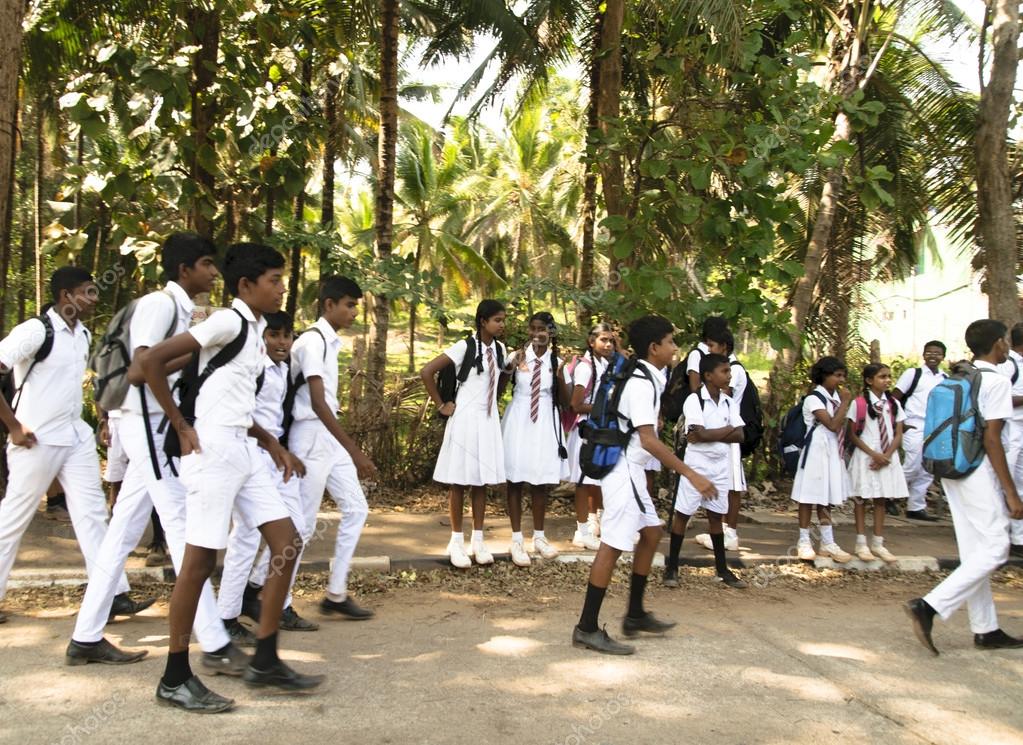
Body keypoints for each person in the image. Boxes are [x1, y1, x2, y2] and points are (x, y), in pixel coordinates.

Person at [142, 242, 323, 712]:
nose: (283, 288)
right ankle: (175, 676)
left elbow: (236, 399)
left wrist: (271, 443)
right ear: (246, 285)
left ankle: (265, 658)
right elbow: (151, 362)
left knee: (287, 541)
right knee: (200, 562)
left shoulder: (257, 330)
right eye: (274, 280)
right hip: (213, 451)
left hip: (243, 449)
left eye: (283, 279)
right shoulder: (227, 321)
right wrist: (181, 425)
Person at [67, 233, 237, 670]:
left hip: (151, 421)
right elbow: (144, 367)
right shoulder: (160, 305)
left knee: (122, 531)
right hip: (146, 422)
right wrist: (197, 357)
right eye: (206, 263)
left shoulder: (183, 308)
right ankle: (215, 642)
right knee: (182, 524)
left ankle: (85, 637)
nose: (214, 272)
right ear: (184, 270)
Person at [0, 267, 143, 626]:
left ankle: (110, 594)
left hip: (74, 437)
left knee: (93, 516)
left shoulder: (80, 334)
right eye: (88, 293)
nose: (94, 300)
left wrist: (99, 423)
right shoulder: (36, 330)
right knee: (13, 519)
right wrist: (14, 426)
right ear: (66, 296)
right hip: (36, 439)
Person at [572, 315, 715, 655]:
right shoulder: (640, 382)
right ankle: (587, 627)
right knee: (613, 544)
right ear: (654, 348)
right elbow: (649, 440)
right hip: (624, 469)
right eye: (670, 342)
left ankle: (634, 614)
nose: (675, 348)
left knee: (651, 532)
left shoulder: (649, 375)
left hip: (629, 467)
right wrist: (691, 473)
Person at [906, 320, 1023, 655]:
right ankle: (927, 606)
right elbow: (992, 440)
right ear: (999, 343)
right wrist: (1011, 492)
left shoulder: (961, 375)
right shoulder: (997, 381)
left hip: (951, 468)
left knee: (976, 552)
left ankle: (986, 629)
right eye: (1003, 343)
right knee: (998, 546)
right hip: (978, 470)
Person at [218, 311, 318, 642]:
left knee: (298, 530)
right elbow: (241, 415)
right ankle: (226, 616)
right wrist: (273, 445)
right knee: (246, 537)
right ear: (262, 338)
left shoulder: (285, 369)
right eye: (274, 335)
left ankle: (270, 599)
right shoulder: (255, 368)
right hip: (251, 456)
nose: (282, 342)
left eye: (287, 336)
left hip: (277, 461)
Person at [287, 277, 376, 619]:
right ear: (329, 305)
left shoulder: (328, 342)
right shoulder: (312, 342)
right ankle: (271, 598)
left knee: (356, 508)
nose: (354, 311)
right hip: (310, 436)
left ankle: (336, 593)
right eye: (349, 305)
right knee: (303, 525)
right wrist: (355, 451)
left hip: (327, 437)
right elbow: (318, 403)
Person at [421, 300, 508, 568]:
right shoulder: (465, 346)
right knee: (459, 481)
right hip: (464, 421)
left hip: (487, 420)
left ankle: (478, 541)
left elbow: (499, 382)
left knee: (481, 482)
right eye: (497, 320)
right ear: (482, 321)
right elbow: (427, 371)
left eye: (504, 320)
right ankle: (456, 541)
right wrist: (441, 404)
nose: (502, 325)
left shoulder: (501, 349)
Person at [663, 353, 747, 589]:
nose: (729, 376)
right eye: (725, 371)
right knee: (683, 513)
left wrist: (713, 433)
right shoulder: (694, 400)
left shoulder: (729, 402)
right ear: (708, 376)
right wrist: (727, 430)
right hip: (696, 465)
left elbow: (740, 435)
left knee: (715, 516)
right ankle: (672, 567)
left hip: (720, 466)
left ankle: (722, 568)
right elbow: (696, 436)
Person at [500, 312, 569, 566]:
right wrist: (510, 366)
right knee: (515, 481)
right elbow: (499, 389)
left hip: (544, 422)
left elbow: (565, 401)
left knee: (540, 482)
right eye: (533, 328)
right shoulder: (515, 358)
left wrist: (560, 372)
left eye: (543, 329)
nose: (537, 333)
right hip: (519, 419)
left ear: (551, 333)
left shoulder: (558, 362)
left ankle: (539, 537)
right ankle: (516, 539)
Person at [790, 356, 853, 563]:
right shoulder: (814, 398)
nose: (840, 380)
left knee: (826, 496)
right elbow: (833, 424)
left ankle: (827, 541)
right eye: (837, 375)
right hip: (816, 451)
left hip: (831, 451)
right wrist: (845, 402)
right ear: (824, 375)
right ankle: (804, 541)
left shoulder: (834, 398)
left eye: (843, 375)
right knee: (808, 496)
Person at [846, 363, 907, 563]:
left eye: (889, 376)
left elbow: (898, 433)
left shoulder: (894, 404)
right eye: (882, 377)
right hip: (866, 456)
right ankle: (861, 542)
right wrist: (874, 454)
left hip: (887, 456)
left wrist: (886, 455)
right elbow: (852, 434)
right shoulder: (859, 403)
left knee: (881, 499)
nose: (887, 380)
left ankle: (878, 543)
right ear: (869, 380)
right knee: (861, 499)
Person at [564, 323, 617, 550]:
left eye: (611, 340)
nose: (608, 344)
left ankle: (603, 524)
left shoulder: (606, 365)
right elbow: (575, 404)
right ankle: (582, 530)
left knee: (600, 478)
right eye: (603, 340)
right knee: (583, 482)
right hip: (586, 431)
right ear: (591, 342)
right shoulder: (586, 368)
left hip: (600, 431)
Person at [893, 341, 948, 520]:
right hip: (914, 423)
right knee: (912, 464)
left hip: (934, 427)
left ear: (943, 356)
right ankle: (890, 496)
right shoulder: (913, 374)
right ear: (923, 355)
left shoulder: (945, 378)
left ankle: (916, 506)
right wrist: (899, 423)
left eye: (937, 353)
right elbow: (895, 397)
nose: (933, 356)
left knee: (927, 469)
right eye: (929, 352)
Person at [999, 322, 1023, 557]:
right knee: (1005, 481)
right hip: (1009, 429)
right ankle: (1002, 535)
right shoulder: (1009, 365)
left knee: (1021, 483)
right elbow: (1002, 399)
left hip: (1021, 429)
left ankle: (1018, 537)